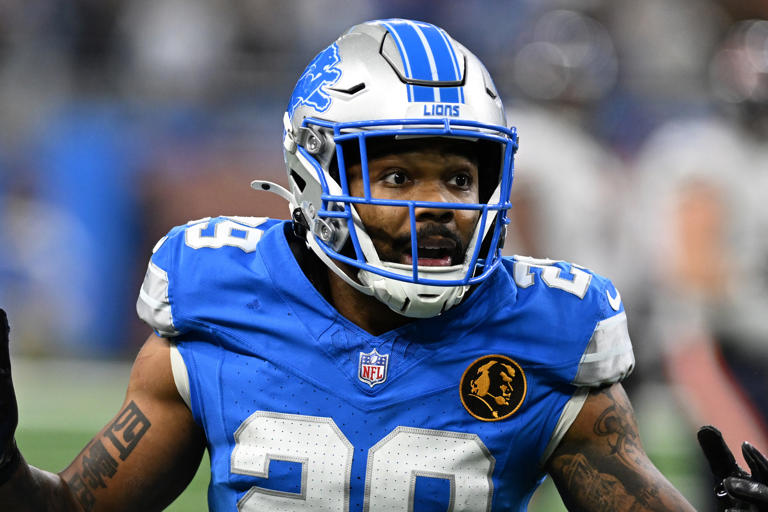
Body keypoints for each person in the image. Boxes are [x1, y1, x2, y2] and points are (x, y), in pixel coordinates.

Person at [0, 18, 698, 511]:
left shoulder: (547, 333)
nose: (439, 207)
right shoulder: (223, 301)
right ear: (315, 177)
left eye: (459, 179)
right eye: (398, 177)